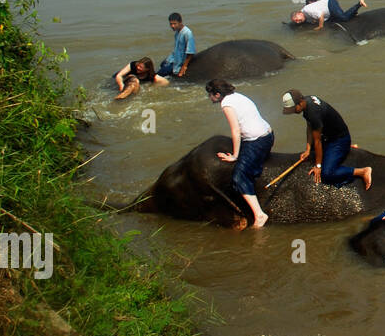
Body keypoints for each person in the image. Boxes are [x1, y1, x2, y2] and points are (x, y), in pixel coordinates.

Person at [207, 79, 274, 228]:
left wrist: (235, 156)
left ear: (217, 94)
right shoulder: (238, 96)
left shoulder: (226, 104)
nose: (209, 98)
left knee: (239, 175)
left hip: (257, 141)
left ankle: (259, 214)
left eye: (210, 95)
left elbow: (235, 130)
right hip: (268, 135)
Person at [282, 89, 372, 191]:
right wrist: (307, 149)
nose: (293, 112)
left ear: (300, 103)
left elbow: (317, 141)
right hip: (329, 136)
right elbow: (310, 126)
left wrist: (318, 166)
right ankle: (341, 149)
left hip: (338, 139)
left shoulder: (313, 113)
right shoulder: (308, 101)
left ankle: (361, 171)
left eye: (294, 109)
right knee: (311, 153)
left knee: (327, 174)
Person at [290, 0, 368, 30]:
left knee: (344, 18)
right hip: (328, 11)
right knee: (336, 21)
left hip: (329, 4)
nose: (297, 21)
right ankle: (353, 13)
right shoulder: (305, 16)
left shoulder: (307, 10)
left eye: (297, 19)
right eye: (295, 21)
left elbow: (321, 15)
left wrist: (320, 27)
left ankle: (359, 4)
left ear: (299, 13)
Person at [159, 12, 195, 78]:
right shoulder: (177, 32)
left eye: (175, 24)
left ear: (180, 22)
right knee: (162, 64)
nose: (172, 26)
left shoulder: (187, 33)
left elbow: (191, 52)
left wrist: (184, 67)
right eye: (171, 24)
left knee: (160, 74)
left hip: (180, 61)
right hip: (174, 58)